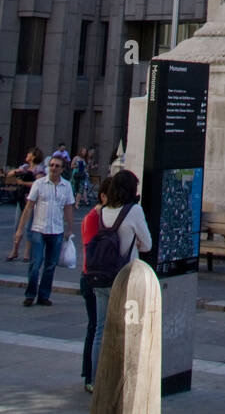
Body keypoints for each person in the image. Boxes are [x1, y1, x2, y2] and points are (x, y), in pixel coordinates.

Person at [89, 169, 152, 380]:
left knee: (100, 330)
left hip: (101, 276)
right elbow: (147, 245)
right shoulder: (133, 211)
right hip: (127, 279)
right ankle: (123, 378)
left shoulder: (102, 210)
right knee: (128, 331)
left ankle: (97, 377)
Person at [13, 155, 75, 305]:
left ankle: (44, 295)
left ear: (62, 169)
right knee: (36, 263)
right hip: (38, 229)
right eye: (51, 165)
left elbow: (68, 208)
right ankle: (30, 294)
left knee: (50, 265)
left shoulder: (66, 186)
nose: (53, 168)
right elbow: (28, 207)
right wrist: (20, 229)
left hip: (57, 230)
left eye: (57, 166)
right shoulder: (39, 184)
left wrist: (70, 228)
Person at [79, 178, 112, 392]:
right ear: (103, 196)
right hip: (91, 278)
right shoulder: (94, 217)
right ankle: (89, 375)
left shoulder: (104, 217)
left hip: (97, 277)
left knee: (97, 326)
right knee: (95, 327)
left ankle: (90, 373)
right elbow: (92, 249)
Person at [6, 148, 45, 262]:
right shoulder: (25, 167)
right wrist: (16, 172)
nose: (27, 155)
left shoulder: (39, 169)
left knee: (29, 226)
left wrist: (23, 183)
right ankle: (15, 250)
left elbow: (38, 183)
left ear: (33, 156)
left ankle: (27, 253)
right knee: (17, 225)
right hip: (21, 199)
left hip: (31, 200)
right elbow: (10, 174)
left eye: (29, 153)